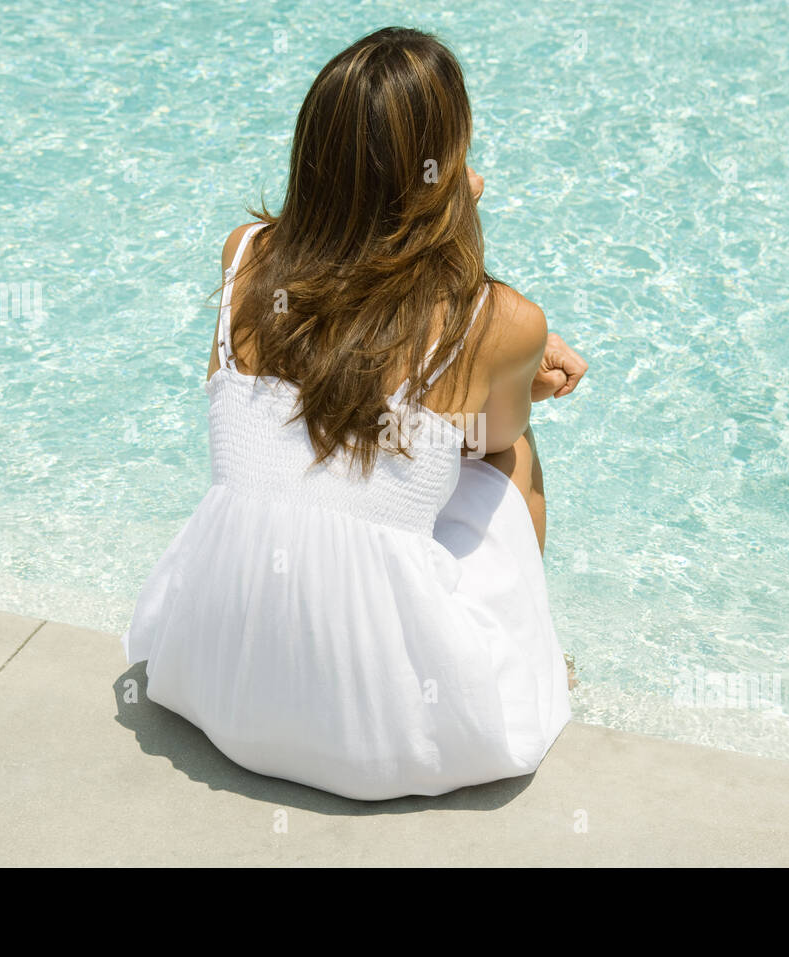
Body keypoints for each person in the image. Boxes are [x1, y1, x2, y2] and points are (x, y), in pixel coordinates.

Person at [121, 26, 588, 801]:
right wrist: (509, 364)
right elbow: (486, 441)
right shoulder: (502, 319)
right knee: (509, 455)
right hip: (377, 729)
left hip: (211, 673)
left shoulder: (246, 257)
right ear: (443, 173)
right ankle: (535, 655)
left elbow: (336, 372)